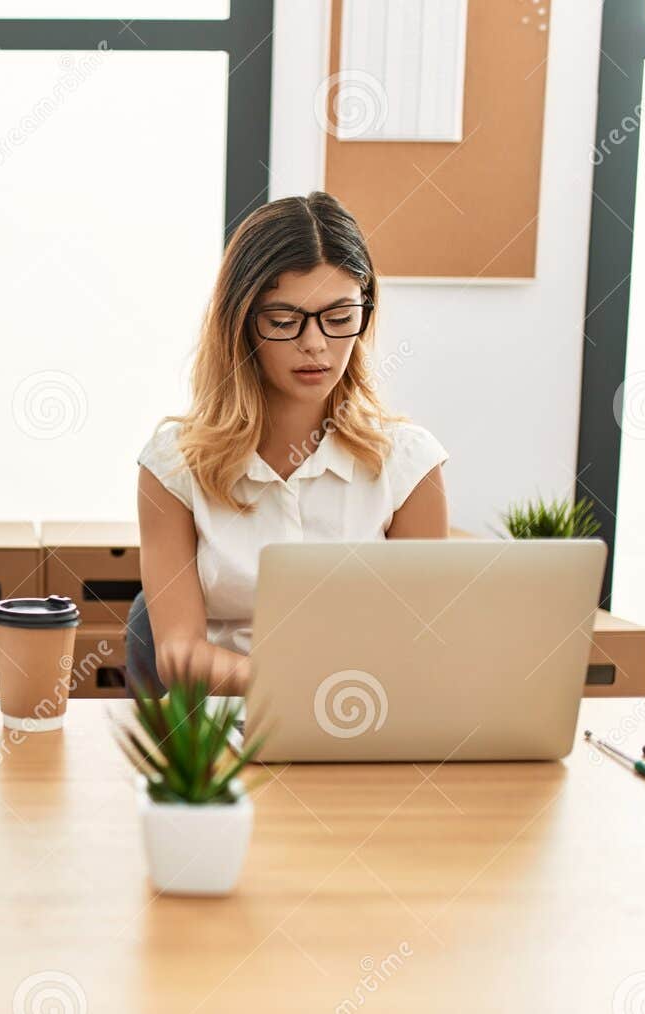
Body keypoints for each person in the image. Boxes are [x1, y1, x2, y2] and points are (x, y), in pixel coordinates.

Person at [133, 192, 448, 695]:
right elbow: (179, 655)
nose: (316, 345)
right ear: (241, 323)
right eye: (284, 322)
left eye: (340, 317)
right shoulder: (173, 465)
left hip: (370, 721)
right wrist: (309, 690)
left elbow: (425, 643)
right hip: (229, 725)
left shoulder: (409, 463)